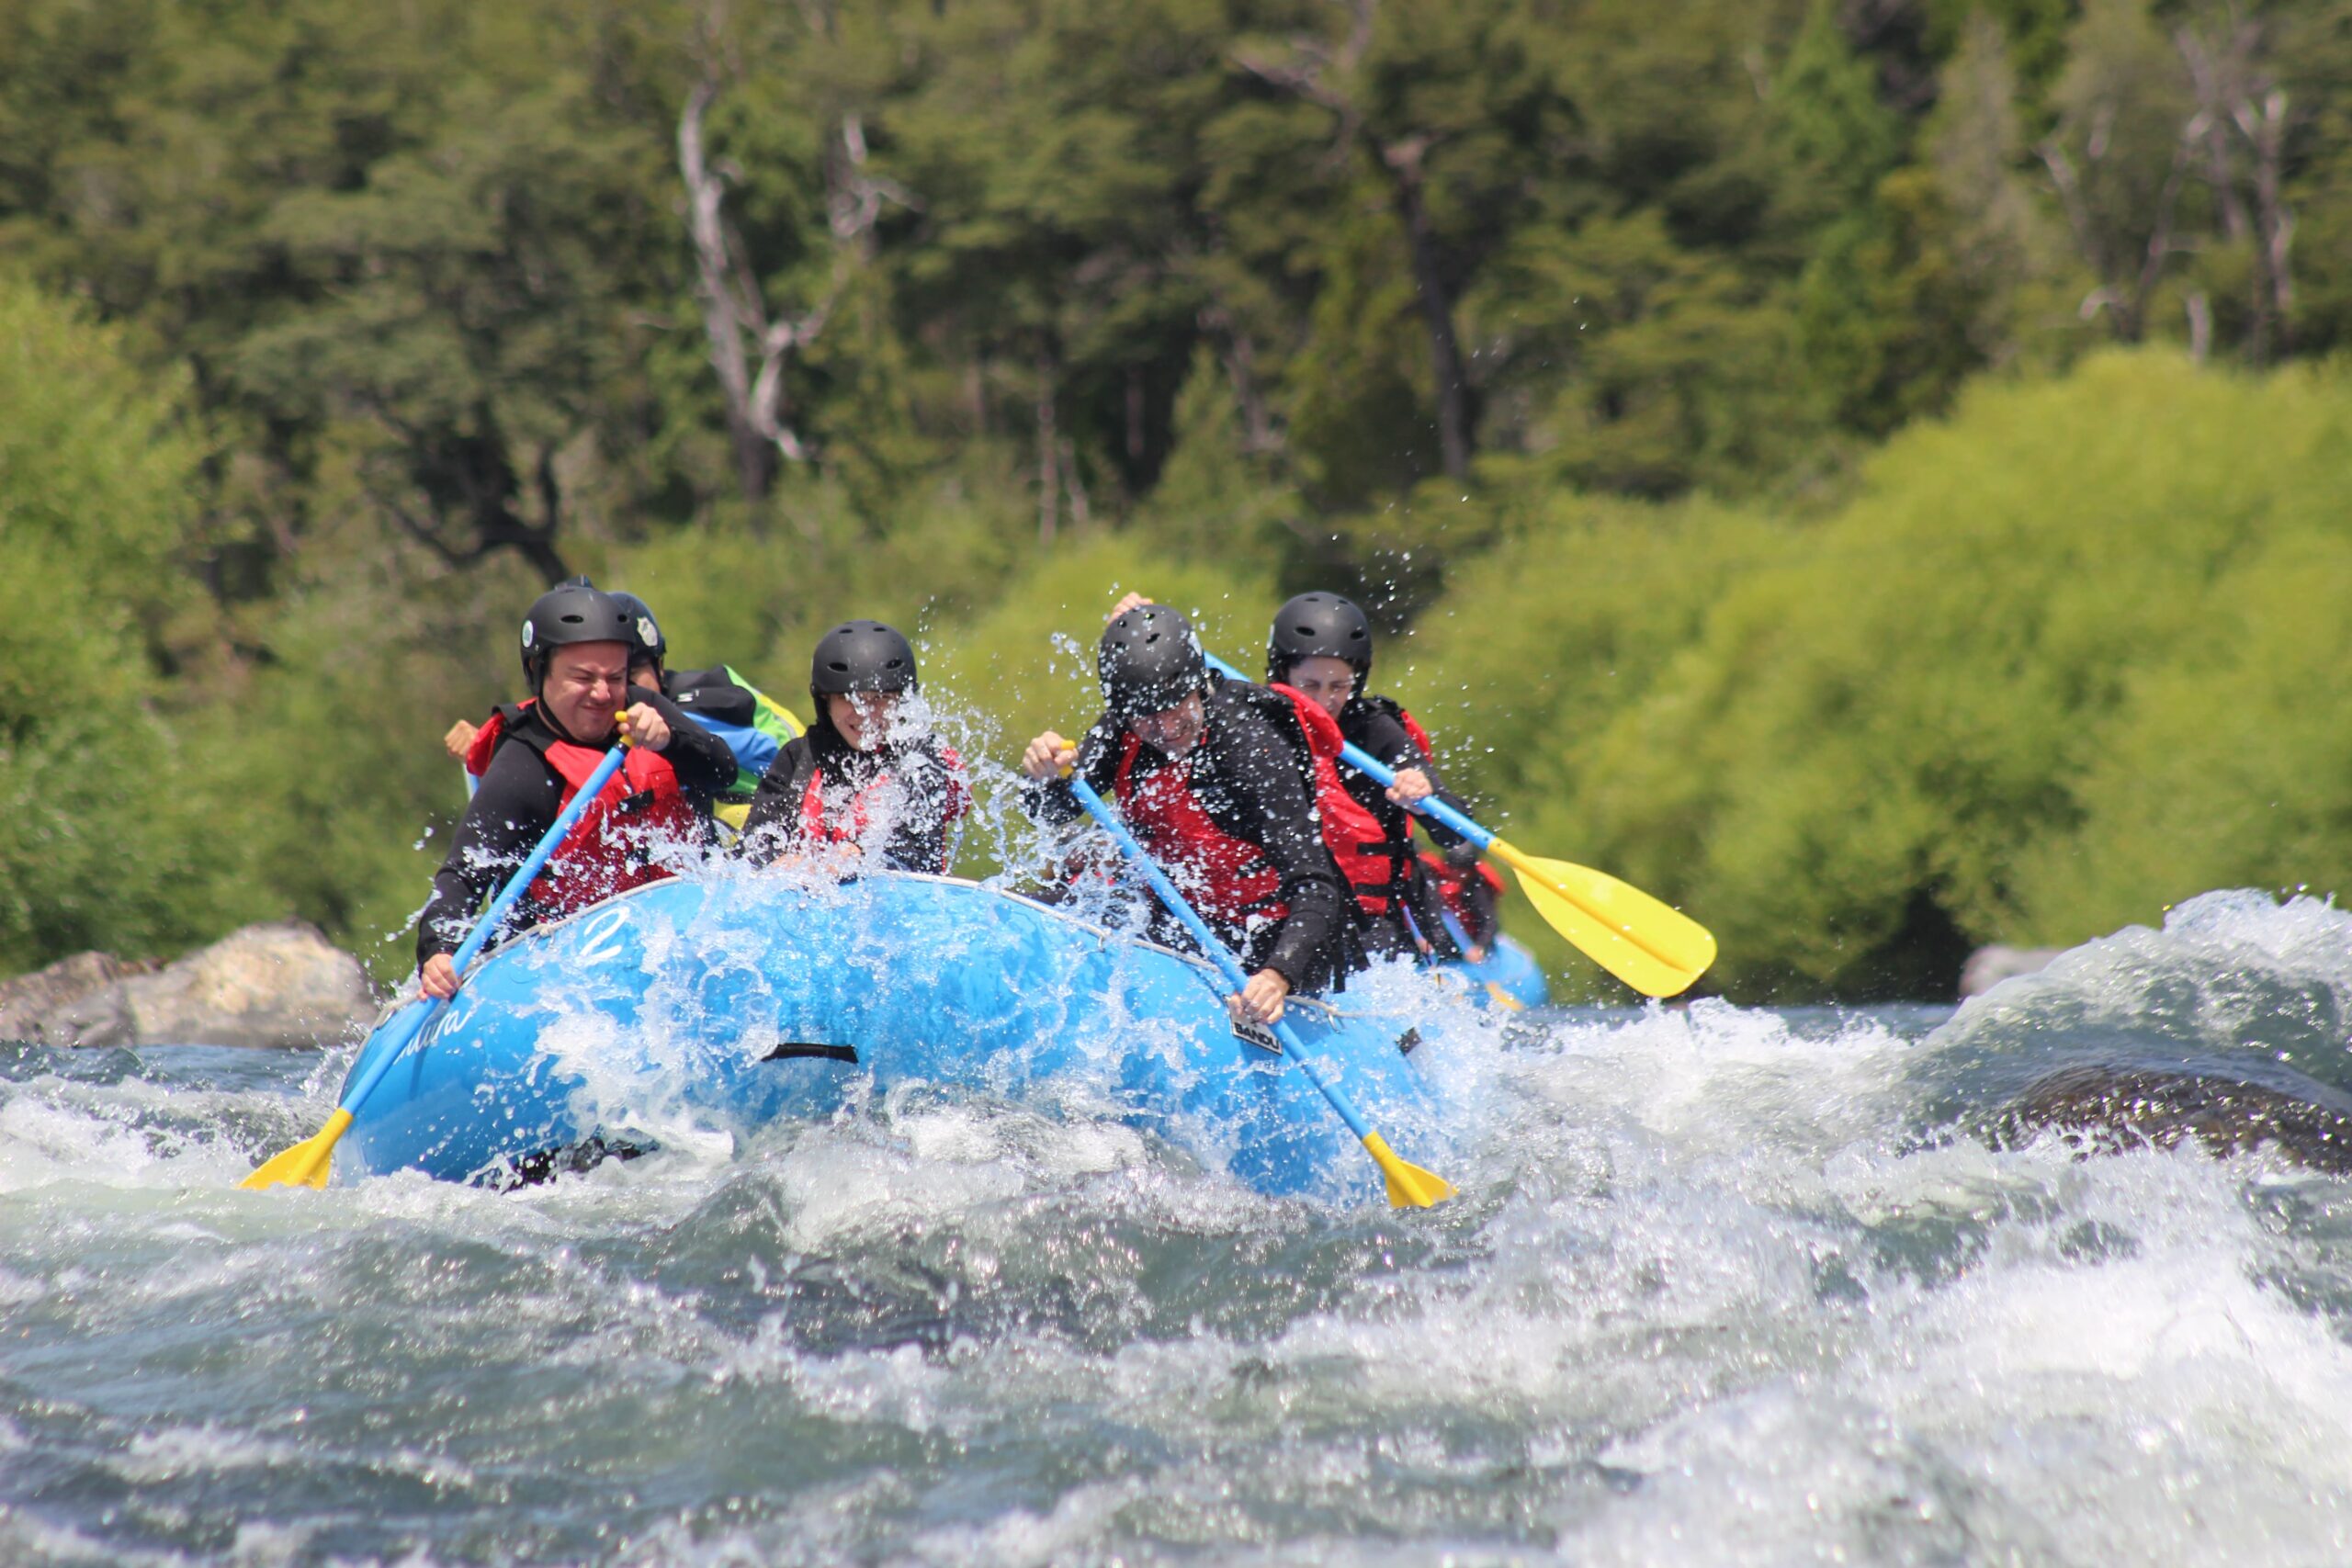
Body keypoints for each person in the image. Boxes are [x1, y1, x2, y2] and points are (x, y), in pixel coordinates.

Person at [1019, 604, 1362, 1024]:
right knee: (1043, 910)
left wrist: (1275, 976)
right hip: (1190, 920)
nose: (1164, 726)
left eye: (1175, 705)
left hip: (1281, 938)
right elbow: (1050, 809)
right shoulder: (1124, 725)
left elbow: (1316, 887)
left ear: (1198, 684)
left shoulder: (1249, 745)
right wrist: (1044, 772)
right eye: (1146, 715)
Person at [417, 583, 739, 999]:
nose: (603, 694)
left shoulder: (645, 708)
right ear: (539, 673)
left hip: (679, 941)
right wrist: (438, 952)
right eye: (583, 678)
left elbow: (723, 771)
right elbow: (462, 876)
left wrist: (671, 740)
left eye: (615, 677)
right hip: (571, 973)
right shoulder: (523, 767)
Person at [444, 584, 802, 829]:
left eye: (627, 673)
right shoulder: (595, 717)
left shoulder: (702, 706)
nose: (612, 690)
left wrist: (670, 738)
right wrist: (493, 751)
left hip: (758, 826)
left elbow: (740, 763)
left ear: (661, 668)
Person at [739, 620, 970, 874]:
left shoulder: (922, 761)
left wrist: (863, 856)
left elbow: (920, 853)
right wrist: (774, 863)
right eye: (849, 698)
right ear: (825, 701)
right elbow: (754, 846)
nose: (865, 714)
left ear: (902, 702)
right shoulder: (797, 758)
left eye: (881, 699)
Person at [1419, 839, 1505, 964]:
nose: (1456, 874)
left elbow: (1489, 923)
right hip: (1451, 938)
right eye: (1453, 868)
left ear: (1470, 870)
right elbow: (1436, 916)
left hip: (1472, 941)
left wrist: (1479, 948)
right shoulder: (1439, 882)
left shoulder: (1477, 891)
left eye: (1461, 870)